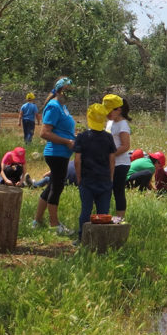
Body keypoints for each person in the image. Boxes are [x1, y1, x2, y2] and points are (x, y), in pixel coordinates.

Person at [32, 78, 77, 235]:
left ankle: (37, 221)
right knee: (57, 187)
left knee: (52, 185)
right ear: (59, 90)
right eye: (67, 89)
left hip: (62, 153)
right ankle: (54, 224)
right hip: (56, 153)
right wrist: (67, 141)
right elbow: (44, 133)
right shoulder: (53, 106)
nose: (70, 92)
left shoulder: (63, 107)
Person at [74, 103, 116, 233]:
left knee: (86, 211)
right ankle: (101, 239)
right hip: (104, 180)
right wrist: (110, 178)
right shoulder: (108, 137)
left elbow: (77, 160)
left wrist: (79, 178)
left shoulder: (82, 137)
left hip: (87, 179)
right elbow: (112, 160)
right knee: (103, 213)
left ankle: (83, 237)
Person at [103, 94, 131, 220]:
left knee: (118, 191)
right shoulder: (109, 122)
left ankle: (120, 219)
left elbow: (125, 146)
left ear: (118, 110)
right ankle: (105, 216)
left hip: (120, 164)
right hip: (109, 162)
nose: (107, 113)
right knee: (106, 190)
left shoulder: (123, 125)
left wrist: (111, 154)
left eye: (109, 111)